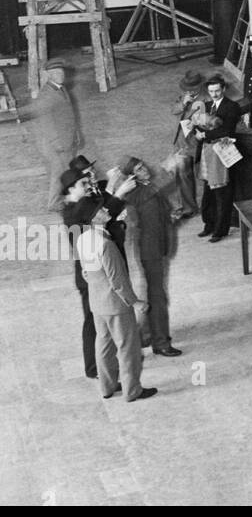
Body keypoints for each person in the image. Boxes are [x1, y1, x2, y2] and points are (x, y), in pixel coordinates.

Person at [76, 204, 156, 402]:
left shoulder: (83, 238)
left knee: (103, 344)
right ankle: (132, 390)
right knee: (128, 347)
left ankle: (107, 386)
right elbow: (117, 280)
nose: (106, 211)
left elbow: (85, 272)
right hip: (116, 305)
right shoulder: (106, 245)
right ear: (94, 219)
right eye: (100, 211)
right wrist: (135, 302)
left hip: (97, 302)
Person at [60, 166, 133, 380]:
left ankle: (103, 365)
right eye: (83, 184)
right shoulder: (76, 209)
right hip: (93, 274)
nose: (89, 186)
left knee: (100, 322)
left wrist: (111, 187)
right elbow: (103, 214)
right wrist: (118, 192)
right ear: (70, 189)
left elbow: (100, 207)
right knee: (95, 322)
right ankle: (95, 368)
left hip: (96, 270)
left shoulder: (77, 204)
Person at [116, 156, 183, 358]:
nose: (144, 169)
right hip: (150, 249)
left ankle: (145, 335)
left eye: (143, 165)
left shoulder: (146, 187)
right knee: (158, 296)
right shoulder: (137, 193)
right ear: (132, 176)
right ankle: (160, 342)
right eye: (138, 168)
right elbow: (157, 189)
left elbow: (157, 210)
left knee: (154, 293)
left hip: (157, 246)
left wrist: (170, 217)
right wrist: (168, 168)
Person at [195, 74, 242, 242]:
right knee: (208, 191)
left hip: (222, 155)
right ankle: (209, 224)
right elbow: (197, 124)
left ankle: (221, 230)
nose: (214, 94)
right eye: (211, 91)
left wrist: (205, 134)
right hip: (207, 153)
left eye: (216, 91)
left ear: (223, 89)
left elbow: (227, 131)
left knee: (222, 192)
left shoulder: (232, 106)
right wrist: (198, 132)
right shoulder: (206, 106)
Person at [31, 63, 84, 211]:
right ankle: (54, 203)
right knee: (58, 172)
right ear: (49, 75)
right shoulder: (46, 95)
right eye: (57, 73)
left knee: (65, 169)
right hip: (55, 143)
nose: (61, 76)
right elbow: (46, 123)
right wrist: (56, 143)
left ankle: (64, 197)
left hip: (67, 138)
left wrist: (77, 133)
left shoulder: (61, 89)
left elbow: (70, 116)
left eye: (62, 73)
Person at [166, 70, 206, 220]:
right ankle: (188, 207)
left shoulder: (205, 99)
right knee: (181, 175)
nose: (190, 90)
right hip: (180, 141)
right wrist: (183, 102)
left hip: (194, 143)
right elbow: (174, 110)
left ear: (199, 86)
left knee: (189, 174)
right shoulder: (184, 97)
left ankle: (190, 207)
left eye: (193, 87)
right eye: (187, 88)